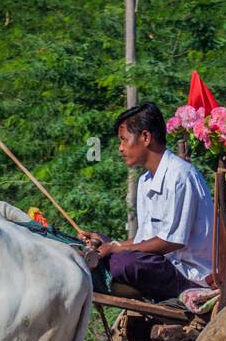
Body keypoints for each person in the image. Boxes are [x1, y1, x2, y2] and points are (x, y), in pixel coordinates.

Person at [83, 101, 215, 300]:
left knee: (122, 263)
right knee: (99, 248)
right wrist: (107, 244)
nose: (120, 148)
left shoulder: (180, 175)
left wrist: (116, 249)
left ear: (145, 137)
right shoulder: (145, 181)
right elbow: (143, 240)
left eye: (124, 140)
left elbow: (172, 241)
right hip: (159, 263)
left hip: (187, 273)